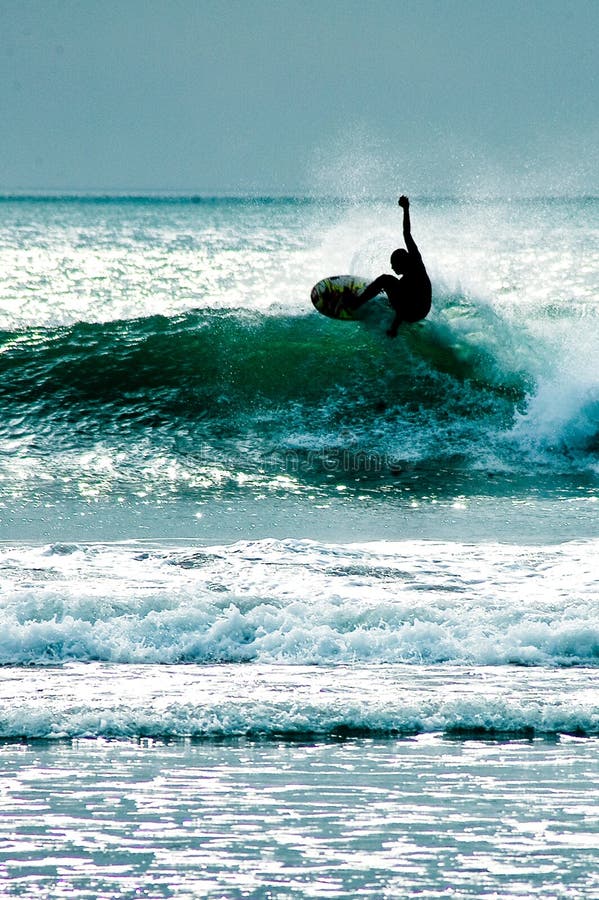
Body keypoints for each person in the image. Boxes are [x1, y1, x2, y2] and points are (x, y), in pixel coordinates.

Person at [356, 195, 432, 337]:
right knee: (390, 287)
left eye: (394, 265)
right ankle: (378, 297)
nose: (392, 268)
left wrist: (394, 328)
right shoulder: (415, 260)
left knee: (386, 279)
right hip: (421, 310)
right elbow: (406, 233)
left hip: (414, 312)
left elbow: (404, 309)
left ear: (401, 262)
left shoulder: (411, 277)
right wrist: (406, 209)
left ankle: (356, 303)